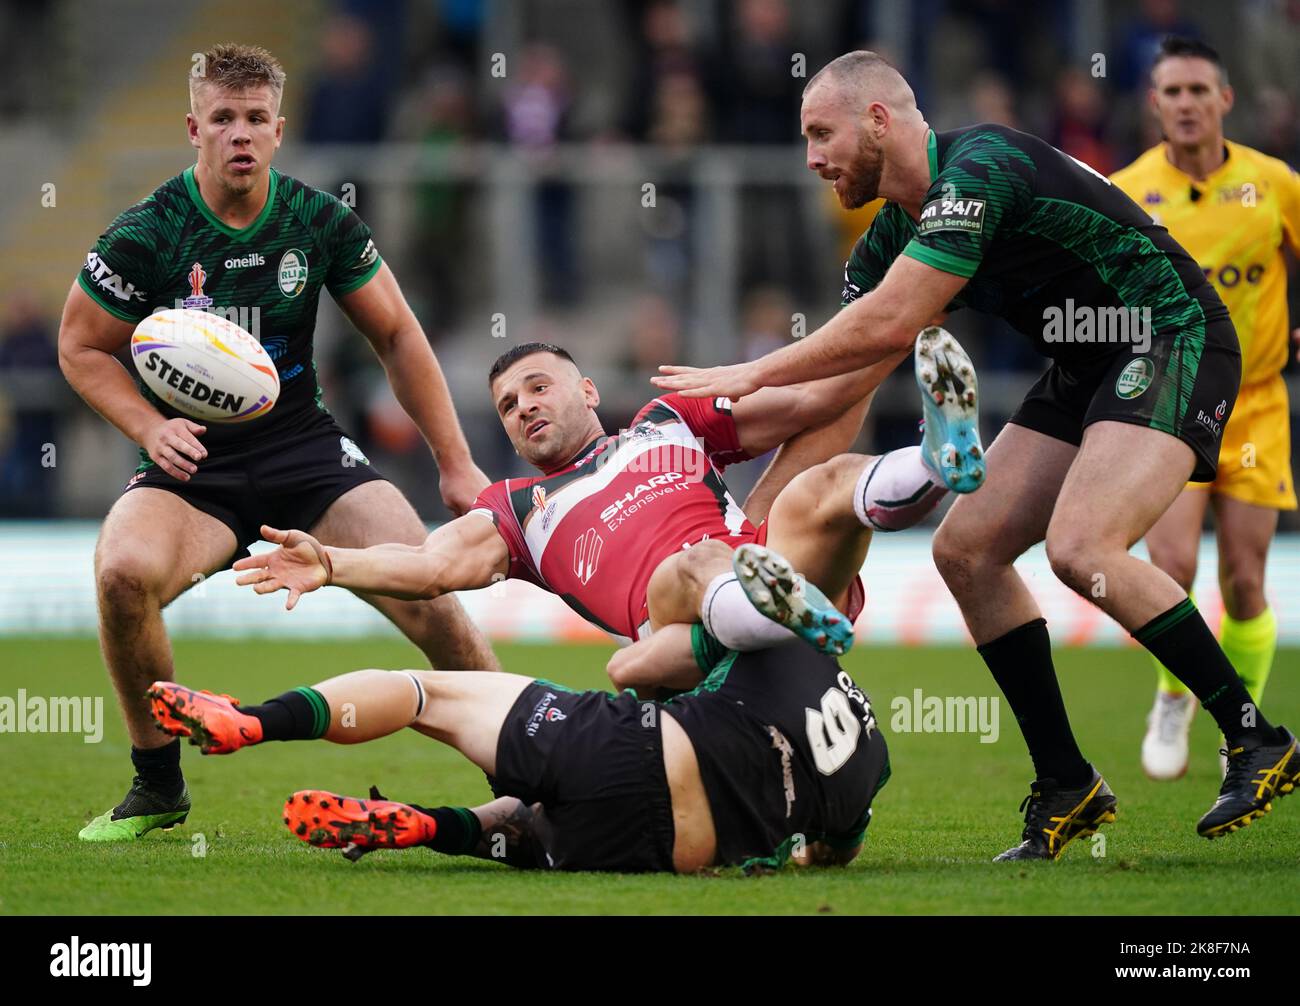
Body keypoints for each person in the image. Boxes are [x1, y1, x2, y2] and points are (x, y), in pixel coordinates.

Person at [651, 50, 1299, 856]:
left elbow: (890, 324)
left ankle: (1255, 737)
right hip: (1090, 362)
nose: (812, 158)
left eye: (822, 134)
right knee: (967, 550)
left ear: (879, 121)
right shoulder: (888, 240)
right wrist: (755, 523)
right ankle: (1068, 783)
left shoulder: (980, 167)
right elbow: (835, 396)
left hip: (1173, 333)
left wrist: (748, 370)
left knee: (1082, 546)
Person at [59, 43, 496, 843]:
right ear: (194, 126)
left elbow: (397, 333)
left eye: (255, 119)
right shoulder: (148, 232)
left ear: (278, 129)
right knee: (122, 575)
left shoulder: (317, 221)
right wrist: (151, 427)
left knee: (432, 588)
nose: (240, 134)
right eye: (223, 118)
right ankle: (158, 786)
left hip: (306, 455)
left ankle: (538, 763)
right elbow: (81, 346)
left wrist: (455, 461)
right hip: (191, 468)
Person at [232, 334, 983, 695]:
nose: (524, 407)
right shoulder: (518, 509)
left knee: (824, 485)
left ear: (588, 392)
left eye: (538, 387)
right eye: (507, 406)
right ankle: (776, 612)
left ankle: (937, 461)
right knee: (669, 600)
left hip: (771, 567)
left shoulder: (667, 421)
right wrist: (333, 564)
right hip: (679, 628)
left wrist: (898, 324)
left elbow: (816, 402)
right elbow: (430, 568)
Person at [145, 639, 890, 874]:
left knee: (422, 694)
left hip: (634, 750)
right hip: (666, 851)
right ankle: (432, 826)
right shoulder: (873, 766)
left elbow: (631, 668)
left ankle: (251, 721)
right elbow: (832, 857)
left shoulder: (777, 641)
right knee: (540, 828)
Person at [1110, 36, 1300, 780]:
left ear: (1225, 100)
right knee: (1174, 562)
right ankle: (1172, 695)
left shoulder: (1273, 182)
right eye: (1172, 92)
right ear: (1153, 104)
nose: (1186, 104)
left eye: (1199, 91)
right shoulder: (1127, 189)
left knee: (1246, 579)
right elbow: (1105, 292)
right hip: (1173, 399)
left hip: (1255, 402)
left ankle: (1242, 737)